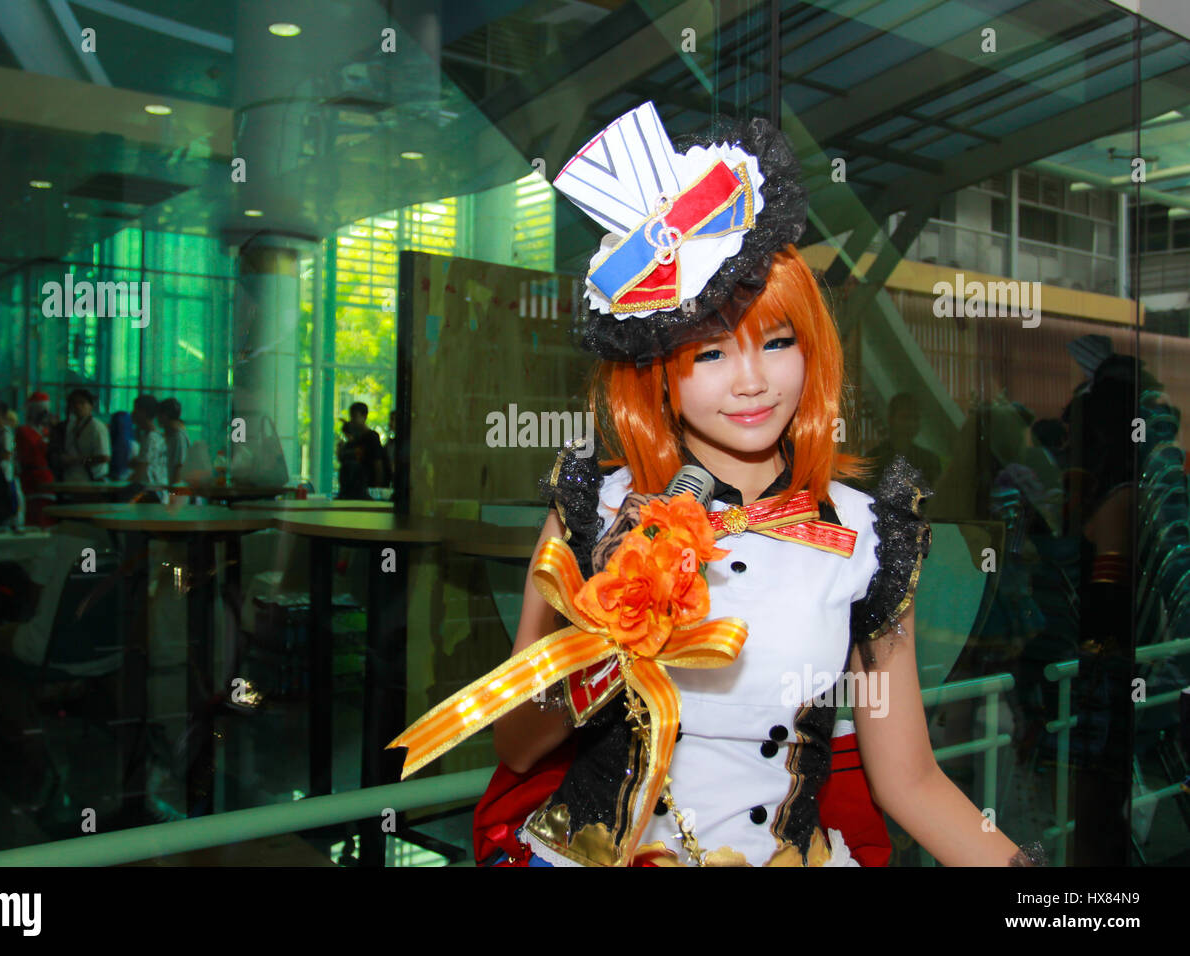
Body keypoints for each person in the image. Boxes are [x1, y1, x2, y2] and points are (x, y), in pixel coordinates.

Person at [401, 103, 1044, 867]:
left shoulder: (870, 534)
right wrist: (610, 639)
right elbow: (516, 744)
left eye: (777, 343)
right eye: (708, 354)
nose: (750, 382)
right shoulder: (595, 512)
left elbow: (911, 781)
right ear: (661, 374)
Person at [865, 392, 942, 490]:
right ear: (891, 419)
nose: (911, 424)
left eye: (915, 418)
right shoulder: (873, 459)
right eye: (905, 418)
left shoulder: (930, 461)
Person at [15, 391, 55, 527]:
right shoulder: (24, 431)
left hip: (48, 477)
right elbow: (32, 452)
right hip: (32, 479)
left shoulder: (46, 431)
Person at [336, 402, 389, 499]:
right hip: (354, 491)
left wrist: (377, 489)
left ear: (364, 417)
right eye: (351, 416)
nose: (352, 420)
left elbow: (378, 464)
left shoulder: (371, 438)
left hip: (367, 489)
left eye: (355, 416)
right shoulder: (354, 441)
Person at [60, 388, 111, 481]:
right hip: (72, 478)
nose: (78, 406)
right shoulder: (70, 425)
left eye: (82, 403)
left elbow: (104, 457)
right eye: (74, 403)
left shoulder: (96, 426)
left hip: (91, 480)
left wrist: (77, 460)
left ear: (91, 406)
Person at [128, 394, 169, 490]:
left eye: (136, 410)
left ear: (144, 413)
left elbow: (141, 470)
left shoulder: (150, 438)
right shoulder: (152, 436)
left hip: (151, 492)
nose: (132, 413)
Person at [158, 398, 191, 485]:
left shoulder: (178, 436)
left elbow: (179, 466)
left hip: (175, 488)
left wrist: (173, 493)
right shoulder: (169, 434)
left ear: (165, 416)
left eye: (159, 414)